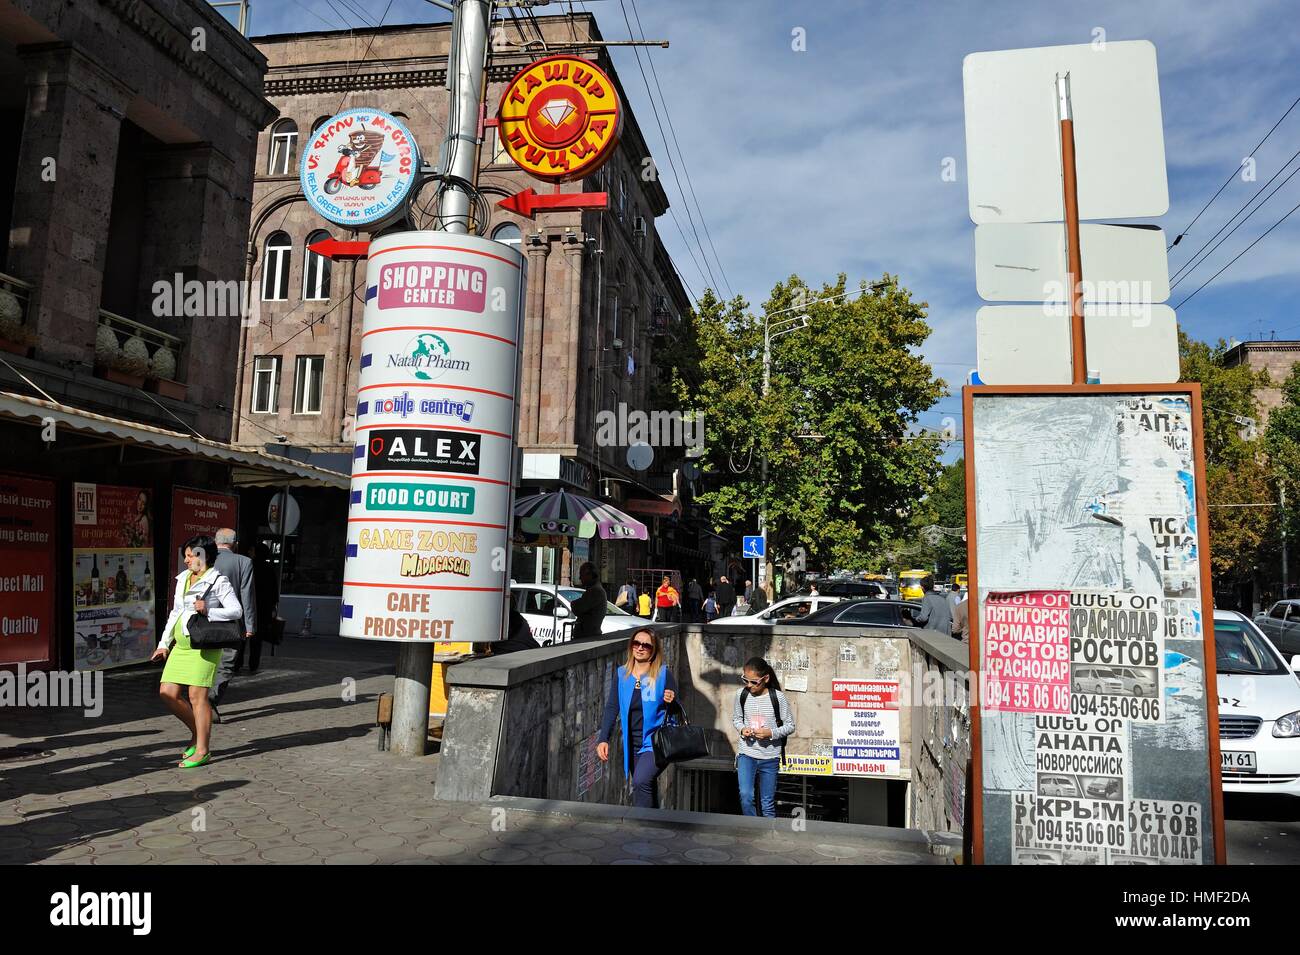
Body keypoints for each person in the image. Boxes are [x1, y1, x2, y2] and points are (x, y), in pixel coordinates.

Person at [151, 535, 242, 769]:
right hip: (181, 647)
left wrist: (209, 609)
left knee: (197, 697)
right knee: (167, 693)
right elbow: (175, 613)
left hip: (203, 646)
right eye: (186, 555)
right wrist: (164, 643)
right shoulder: (183, 579)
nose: (186, 559)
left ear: (205, 556)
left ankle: (202, 749)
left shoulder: (218, 580)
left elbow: (236, 611)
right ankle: (196, 730)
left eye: (191, 555)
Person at [596, 628, 678, 808]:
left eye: (646, 645)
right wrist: (604, 739)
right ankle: (655, 826)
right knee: (646, 785)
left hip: (656, 743)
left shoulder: (663, 674)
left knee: (640, 781)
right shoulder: (622, 674)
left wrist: (671, 700)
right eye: (636, 643)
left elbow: (676, 708)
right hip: (632, 744)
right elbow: (612, 707)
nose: (640, 648)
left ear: (653, 649)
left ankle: (643, 828)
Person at [732, 657, 795, 817]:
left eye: (754, 682)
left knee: (767, 803)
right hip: (747, 754)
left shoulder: (778, 697)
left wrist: (771, 733)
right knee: (746, 796)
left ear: (765, 679)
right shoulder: (741, 695)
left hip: (770, 757)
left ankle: (768, 837)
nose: (749, 685)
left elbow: (790, 726)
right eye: (745, 680)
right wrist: (742, 729)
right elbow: (737, 719)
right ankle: (752, 831)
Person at [209, 528, 256, 720]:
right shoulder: (243, 562)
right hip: (231, 623)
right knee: (225, 665)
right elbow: (247, 595)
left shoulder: (204, 558)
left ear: (215, 541)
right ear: (235, 543)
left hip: (205, 620)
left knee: (205, 662)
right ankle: (210, 700)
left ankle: (200, 700)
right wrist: (250, 625)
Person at [251, 542, 279, 668]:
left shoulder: (250, 566)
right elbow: (274, 591)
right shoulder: (269, 569)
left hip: (250, 606)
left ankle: (238, 663)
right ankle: (254, 664)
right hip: (264, 608)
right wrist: (273, 607)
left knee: (242, 638)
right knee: (257, 639)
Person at [569, 562, 607, 641]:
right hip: (586, 635)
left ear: (589, 575)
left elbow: (578, 608)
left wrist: (573, 604)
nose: (580, 578)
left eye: (582, 575)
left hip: (587, 636)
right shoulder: (595, 589)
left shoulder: (595, 591)